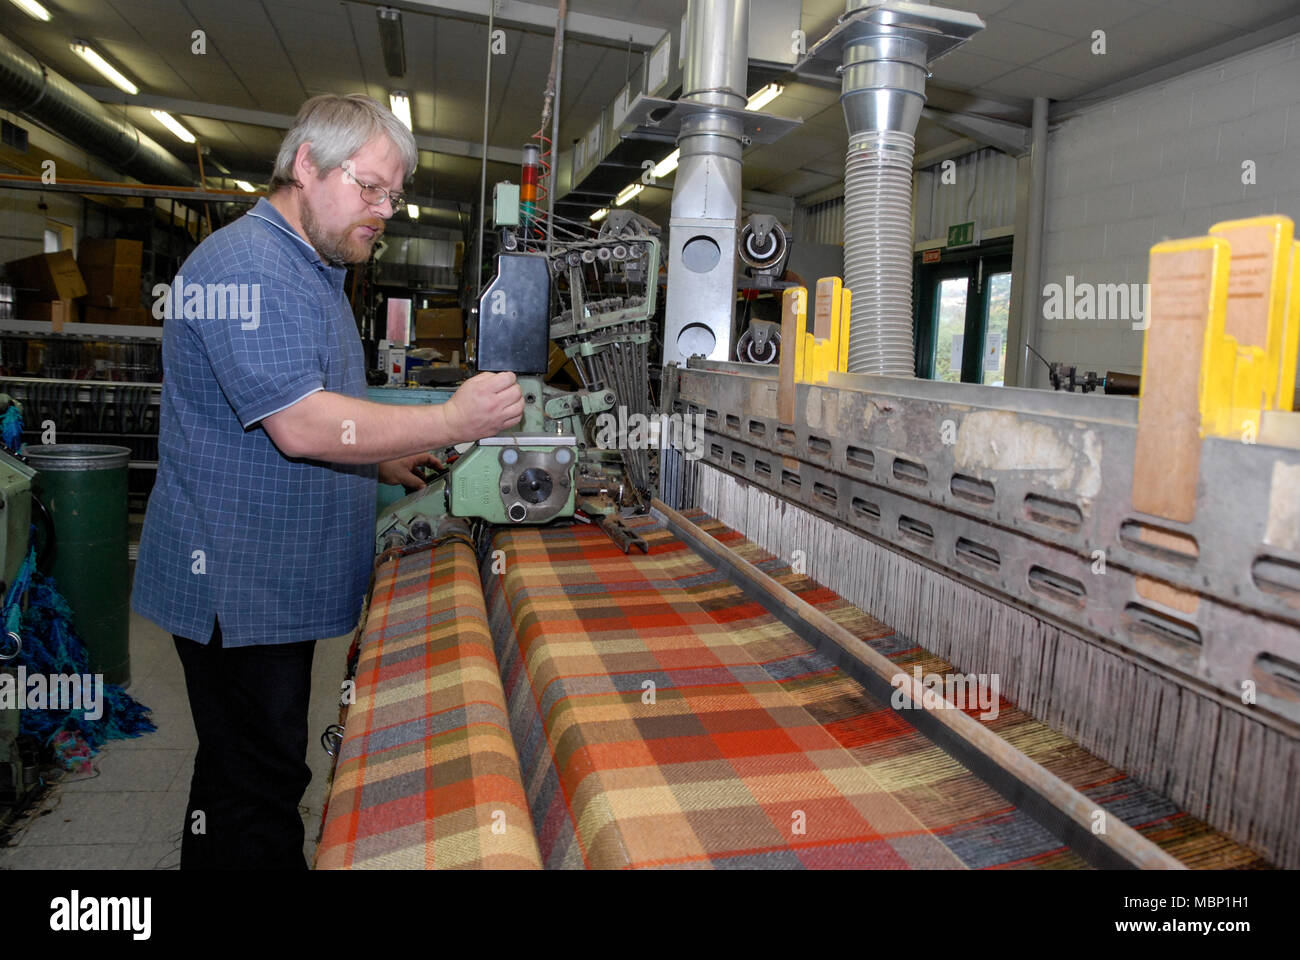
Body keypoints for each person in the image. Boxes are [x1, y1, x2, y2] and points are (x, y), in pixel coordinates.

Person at [131, 93, 523, 869]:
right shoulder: (250, 266)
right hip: (237, 589)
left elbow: (310, 404)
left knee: (239, 771)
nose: (383, 210)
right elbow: (301, 423)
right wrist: (450, 420)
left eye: (394, 196)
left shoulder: (313, 265)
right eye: (370, 187)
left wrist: (376, 457)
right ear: (306, 164)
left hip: (268, 580)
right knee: (262, 783)